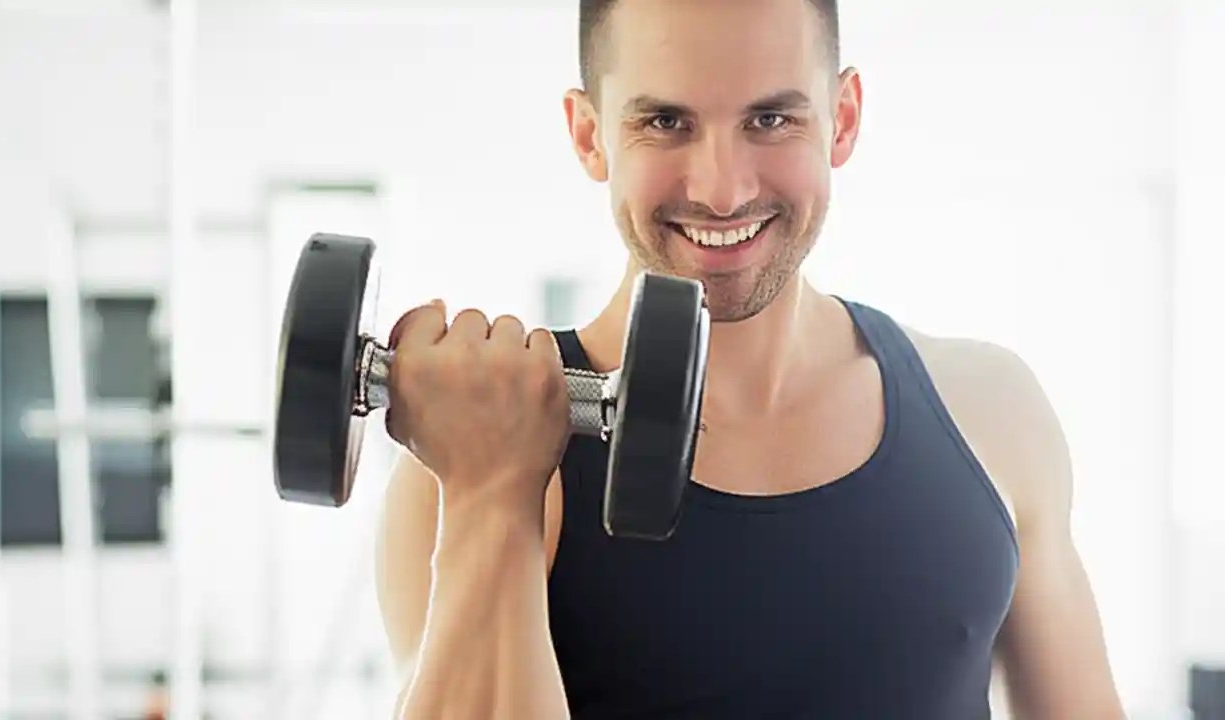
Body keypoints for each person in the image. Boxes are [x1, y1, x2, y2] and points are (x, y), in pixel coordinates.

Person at [373, 0, 1127, 717]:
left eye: (770, 119)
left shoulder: (991, 412)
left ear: (843, 118)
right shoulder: (466, 466)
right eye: (666, 122)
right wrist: (491, 492)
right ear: (589, 135)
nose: (724, 190)